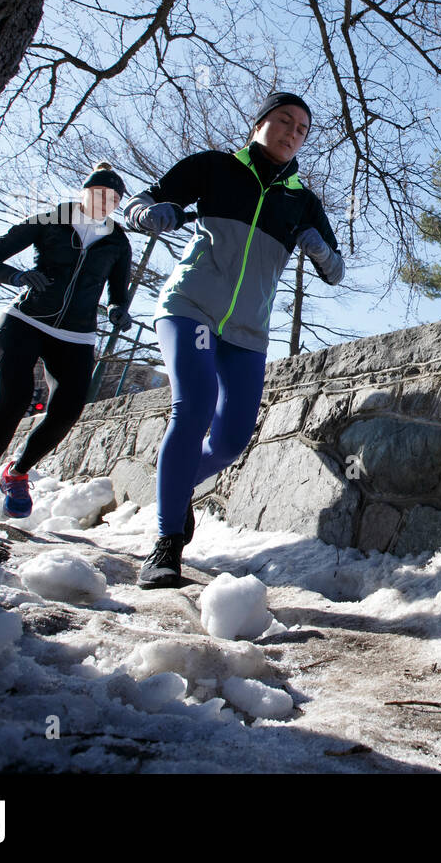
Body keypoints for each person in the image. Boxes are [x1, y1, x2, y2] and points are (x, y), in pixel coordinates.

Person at [122, 92, 345, 588]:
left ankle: (175, 495)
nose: (293, 132)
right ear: (260, 122)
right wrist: (149, 214)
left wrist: (319, 249)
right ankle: (166, 544)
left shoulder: (301, 201)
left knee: (229, 442)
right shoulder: (214, 167)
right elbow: (140, 201)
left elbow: (337, 270)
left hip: (247, 332)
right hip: (190, 308)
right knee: (194, 406)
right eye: (285, 120)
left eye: (303, 129)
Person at [0, 163, 135, 518]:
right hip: (24, 322)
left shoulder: (118, 241)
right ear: (84, 192)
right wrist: (16, 275)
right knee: (13, 402)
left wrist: (119, 310)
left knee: (67, 412)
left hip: (75, 334)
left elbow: (119, 291)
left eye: (115, 199)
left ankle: (17, 473)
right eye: (100, 194)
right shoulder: (48, 221)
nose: (106, 202)